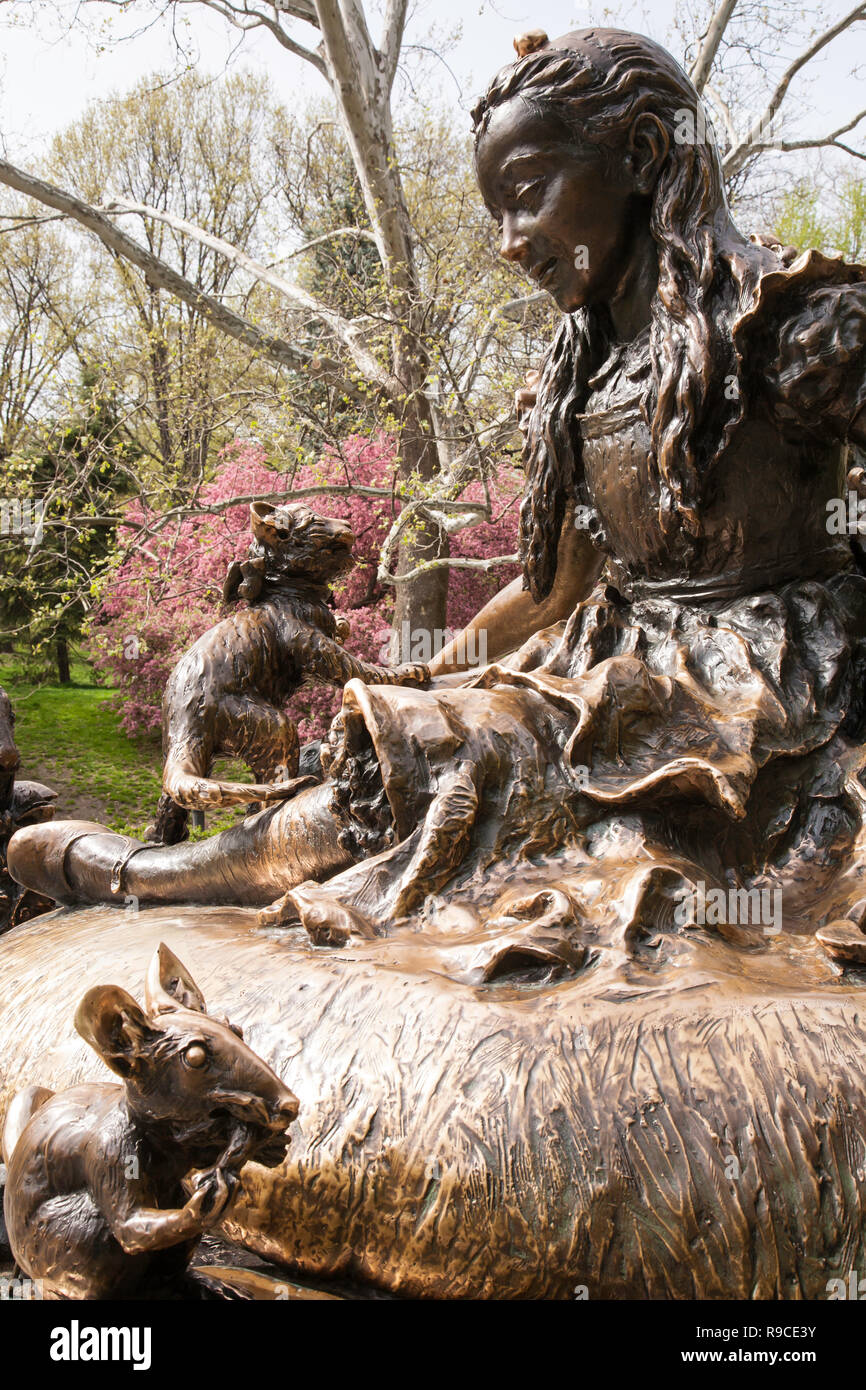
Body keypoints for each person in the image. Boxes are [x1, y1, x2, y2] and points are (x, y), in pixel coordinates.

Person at [10, 28, 866, 963]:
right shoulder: (584, 380)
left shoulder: (790, 322)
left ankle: (151, 877)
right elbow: (552, 591)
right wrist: (413, 672)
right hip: (615, 663)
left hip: (762, 685)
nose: (509, 244)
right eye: (496, 213)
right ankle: (169, 871)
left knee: (466, 754)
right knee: (385, 730)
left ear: (646, 155)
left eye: (528, 193)